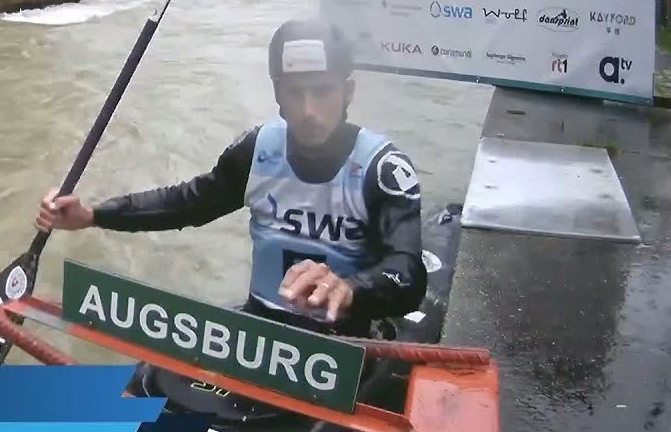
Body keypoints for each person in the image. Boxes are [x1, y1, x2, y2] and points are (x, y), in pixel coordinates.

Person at [34, 18, 426, 337]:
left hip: (347, 340)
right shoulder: (257, 149)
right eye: (295, 93)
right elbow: (188, 203)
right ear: (277, 93)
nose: (308, 110)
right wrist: (94, 216)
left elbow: (407, 273)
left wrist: (352, 287)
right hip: (262, 330)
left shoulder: (382, 168)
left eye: (322, 92)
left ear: (348, 92)